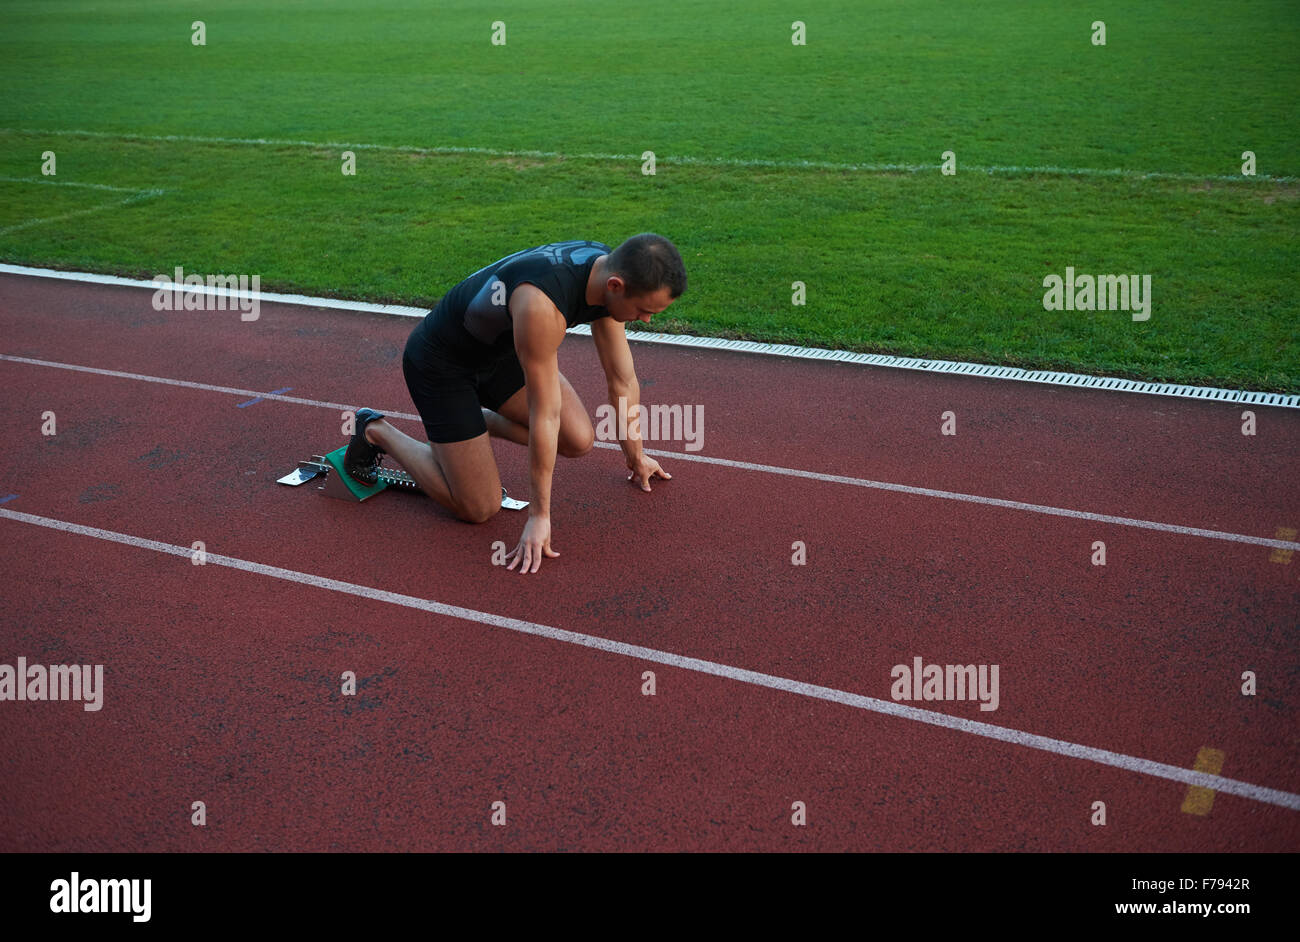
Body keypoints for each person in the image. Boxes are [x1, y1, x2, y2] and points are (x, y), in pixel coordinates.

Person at [345, 234, 687, 574]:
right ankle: (376, 430)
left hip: (503, 354)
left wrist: (635, 456)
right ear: (616, 285)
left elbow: (622, 379)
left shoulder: (606, 271)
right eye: (644, 310)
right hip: (442, 366)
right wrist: (539, 516)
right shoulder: (541, 304)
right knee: (479, 507)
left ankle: (473, 426)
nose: (646, 320)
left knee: (578, 439)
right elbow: (545, 416)